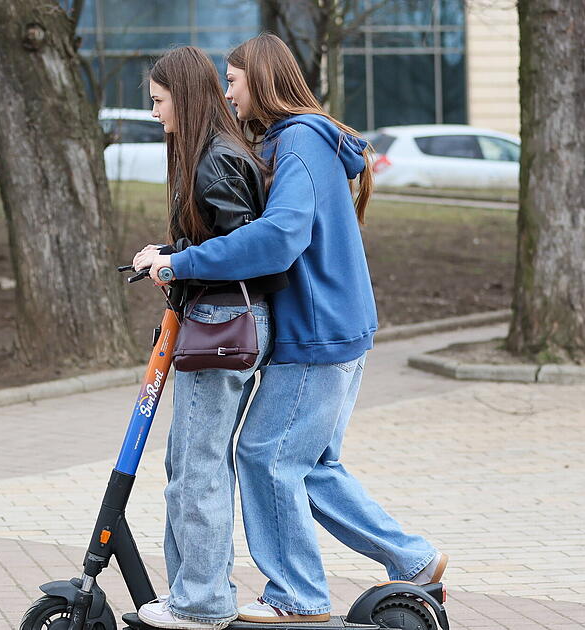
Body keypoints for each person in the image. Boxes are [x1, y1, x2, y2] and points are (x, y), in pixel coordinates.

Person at [135, 34, 446, 625]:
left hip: (317, 332)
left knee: (266, 457)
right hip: (335, 328)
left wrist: (183, 263)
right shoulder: (298, 139)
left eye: (234, 81)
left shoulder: (300, 140)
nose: (227, 94)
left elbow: (278, 238)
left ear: (263, 80)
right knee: (308, 465)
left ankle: (297, 596)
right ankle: (413, 560)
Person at [133, 46, 287, 630]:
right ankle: (190, 594)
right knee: (189, 462)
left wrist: (179, 263)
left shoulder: (213, 161)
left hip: (222, 329)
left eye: (158, 101)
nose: (154, 113)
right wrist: (170, 254)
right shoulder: (216, 155)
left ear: (183, 97)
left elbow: (246, 251)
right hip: (220, 324)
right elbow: (223, 243)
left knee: (197, 467)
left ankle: (201, 602)